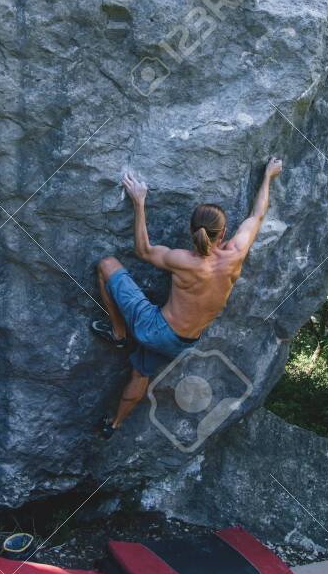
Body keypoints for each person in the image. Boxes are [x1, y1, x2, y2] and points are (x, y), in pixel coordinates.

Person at [92, 157, 283, 438]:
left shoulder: (183, 260)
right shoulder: (236, 254)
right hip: (181, 344)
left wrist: (139, 202)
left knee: (107, 265)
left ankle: (119, 332)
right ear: (224, 233)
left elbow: (143, 251)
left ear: (192, 231)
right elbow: (257, 215)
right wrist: (268, 176)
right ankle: (114, 425)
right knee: (139, 374)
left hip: (154, 328)